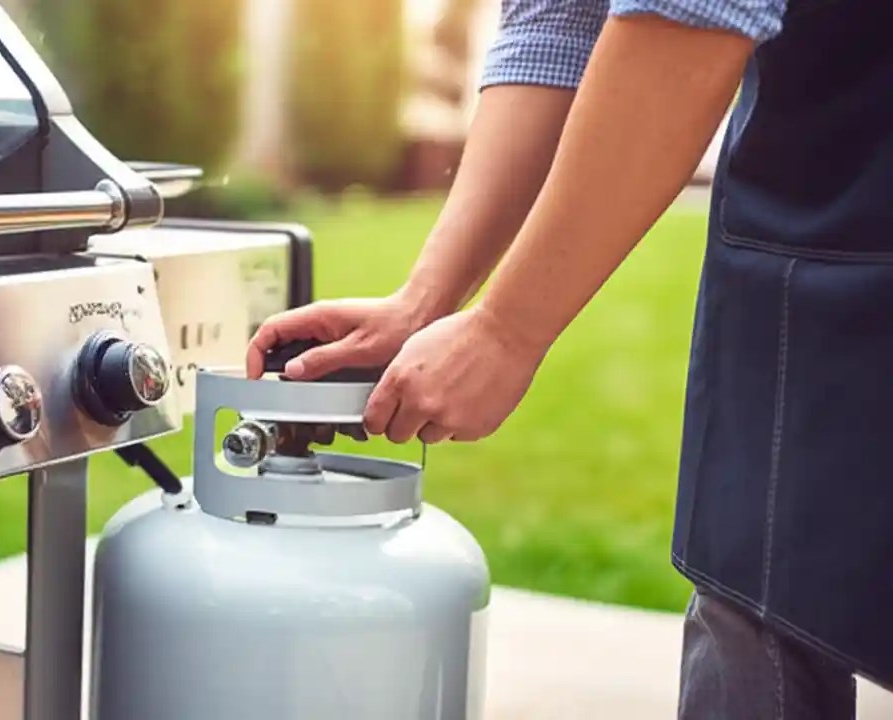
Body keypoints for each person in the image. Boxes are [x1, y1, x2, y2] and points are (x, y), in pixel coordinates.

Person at [246, 0, 892, 716]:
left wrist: (507, 330)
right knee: (750, 591)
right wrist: (424, 304)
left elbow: (691, 13)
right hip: (790, 223)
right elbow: (558, 22)